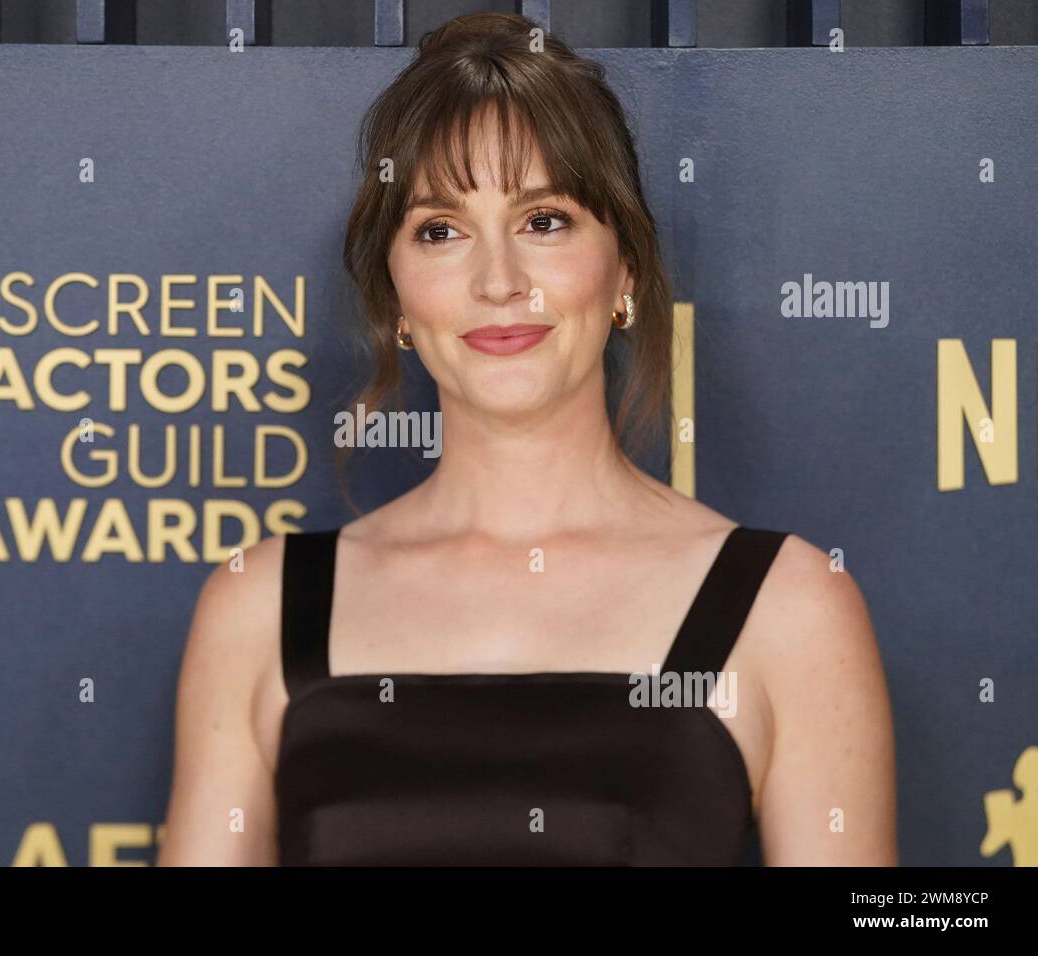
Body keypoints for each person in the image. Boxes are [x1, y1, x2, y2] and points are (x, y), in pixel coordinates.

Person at [157, 11, 895, 866]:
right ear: (396, 299)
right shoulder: (261, 609)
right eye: (441, 230)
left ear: (626, 271)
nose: (498, 281)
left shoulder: (789, 608)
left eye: (544, 220)